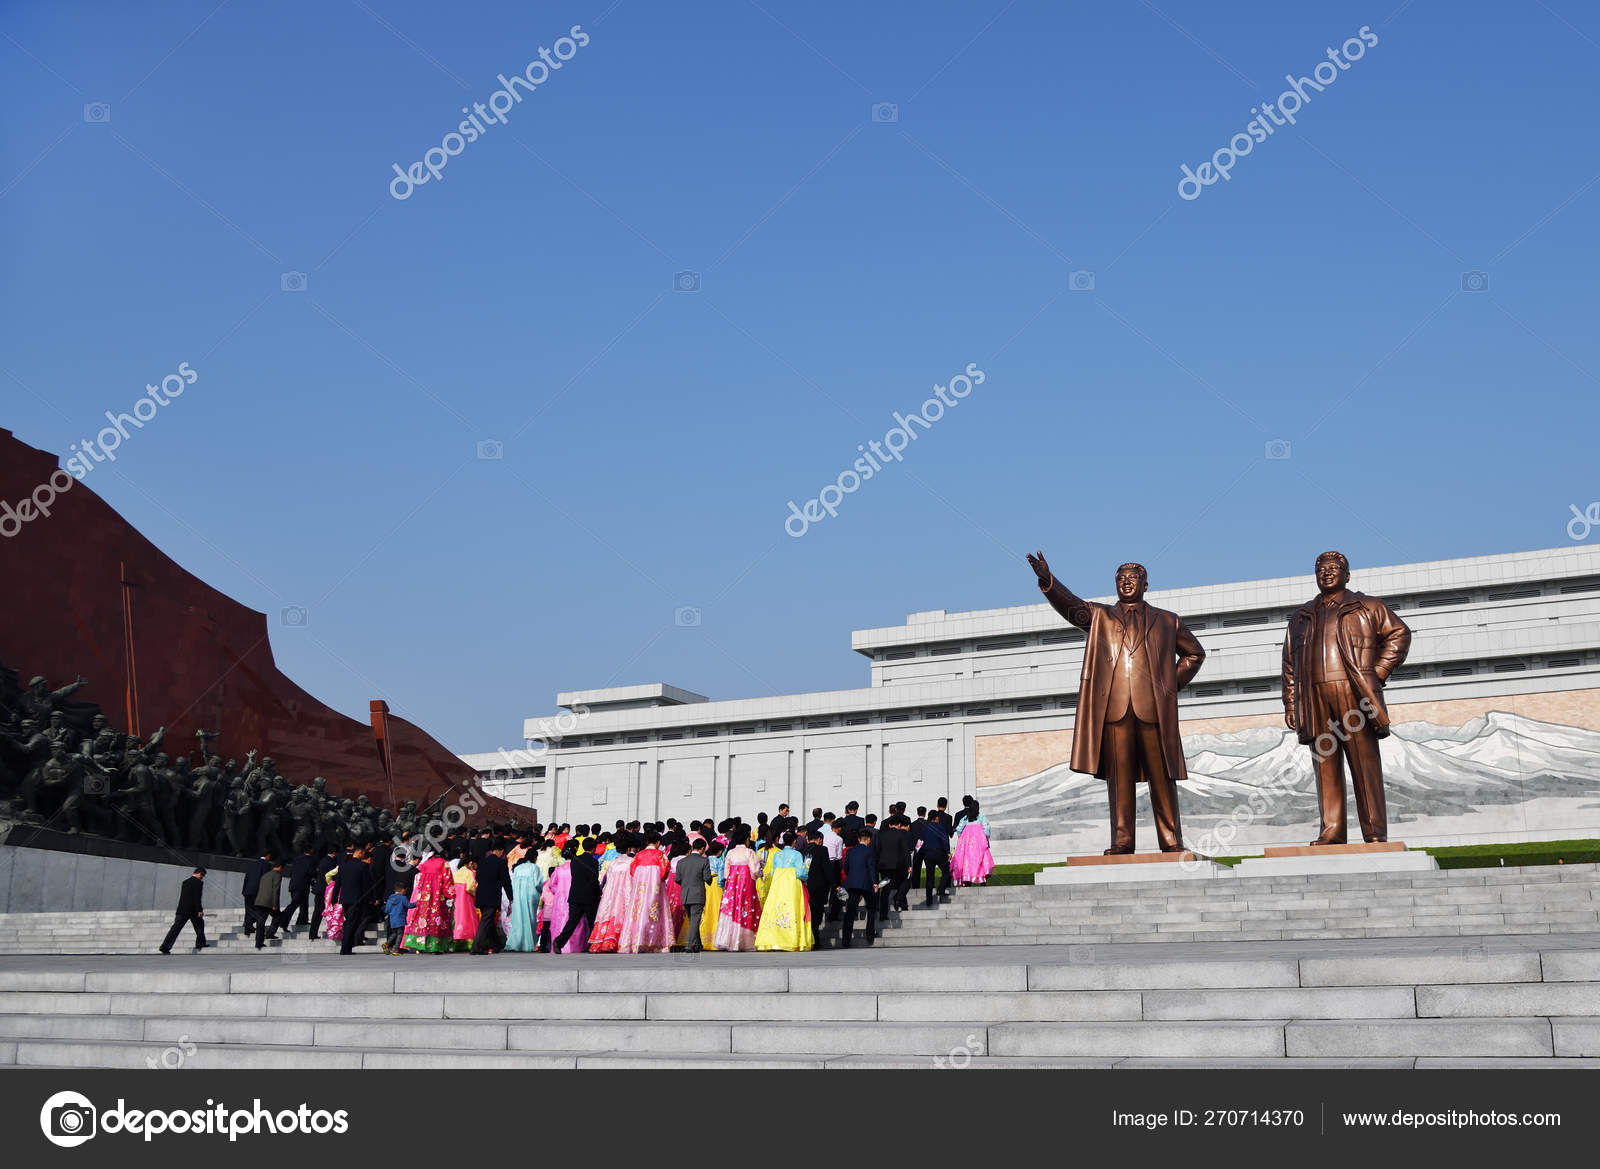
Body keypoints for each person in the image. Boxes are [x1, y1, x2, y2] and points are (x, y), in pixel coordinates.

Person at [1029, 553, 1207, 854]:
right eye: (1120, 577)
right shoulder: (1101, 617)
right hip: (1114, 711)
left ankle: (1172, 840)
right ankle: (1122, 842)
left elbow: (1194, 654)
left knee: (1162, 778)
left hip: (1153, 712)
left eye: (1133, 577)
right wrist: (1048, 581)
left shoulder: (1167, 620)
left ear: (1146, 585)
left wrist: (1167, 686)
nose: (1126, 581)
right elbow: (1070, 607)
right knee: (1119, 780)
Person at [754, 830, 813, 952]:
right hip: (791, 885)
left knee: (775, 909)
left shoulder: (778, 855)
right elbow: (801, 872)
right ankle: (791, 940)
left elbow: (775, 871)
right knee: (792, 909)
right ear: (794, 842)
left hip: (778, 885)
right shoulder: (797, 854)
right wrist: (806, 872)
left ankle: (773, 939)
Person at [617, 830, 673, 954]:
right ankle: (655, 942)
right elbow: (665, 871)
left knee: (638, 911)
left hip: (640, 888)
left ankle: (636, 941)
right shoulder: (660, 855)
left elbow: (632, 871)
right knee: (655, 913)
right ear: (658, 842)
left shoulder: (639, 855)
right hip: (655, 888)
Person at [712, 826, 761, 952]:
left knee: (731, 909)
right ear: (746, 839)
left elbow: (726, 872)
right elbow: (755, 870)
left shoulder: (730, 853)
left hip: (732, 884)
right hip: (746, 884)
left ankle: (727, 939)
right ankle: (745, 940)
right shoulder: (749, 852)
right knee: (746, 908)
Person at [552, 838, 602, 954]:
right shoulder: (594, 862)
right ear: (593, 848)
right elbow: (594, 880)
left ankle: (559, 942)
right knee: (591, 922)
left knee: (572, 922)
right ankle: (591, 945)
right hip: (589, 896)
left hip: (575, 895)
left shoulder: (576, 860)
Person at [401, 851, 455, 953]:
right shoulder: (443, 863)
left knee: (423, 917)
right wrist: (451, 894)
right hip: (437, 896)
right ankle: (436, 946)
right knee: (437, 917)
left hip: (424, 895)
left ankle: (420, 946)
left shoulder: (425, 863)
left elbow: (418, 876)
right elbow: (448, 881)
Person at [472, 844, 514, 954]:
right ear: (501, 851)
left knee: (489, 921)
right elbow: (506, 881)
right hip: (492, 895)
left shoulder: (482, 862)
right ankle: (476, 947)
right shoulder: (501, 863)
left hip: (481, 894)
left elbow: (477, 877)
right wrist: (510, 897)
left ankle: (496, 945)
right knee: (486, 921)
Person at [673, 839, 713, 953]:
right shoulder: (704, 861)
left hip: (685, 893)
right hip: (698, 894)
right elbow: (707, 878)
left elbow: (677, 879)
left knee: (693, 920)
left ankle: (697, 944)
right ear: (702, 849)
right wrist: (710, 879)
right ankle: (690, 945)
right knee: (695, 919)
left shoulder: (682, 862)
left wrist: (686, 884)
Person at [840, 828, 878, 947]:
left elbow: (845, 868)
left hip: (852, 883)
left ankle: (846, 939)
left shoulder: (851, 851)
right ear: (869, 839)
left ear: (858, 839)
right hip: (865, 883)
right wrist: (875, 882)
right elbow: (872, 868)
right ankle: (870, 934)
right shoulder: (869, 851)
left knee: (850, 912)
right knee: (871, 908)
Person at [334, 845, 374, 955]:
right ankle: (345, 948)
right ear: (360, 852)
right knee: (351, 923)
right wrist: (370, 898)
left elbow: (338, 883)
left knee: (349, 922)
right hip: (357, 899)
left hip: (345, 899)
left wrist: (334, 898)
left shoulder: (343, 866)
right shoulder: (362, 866)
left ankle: (346, 947)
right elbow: (366, 884)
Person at [158, 866, 207, 953]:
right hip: (193, 910)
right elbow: (197, 898)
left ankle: (165, 947)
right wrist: (199, 910)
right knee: (199, 925)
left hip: (182, 909)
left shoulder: (185, 882)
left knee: (175, 929)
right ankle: (200, 943)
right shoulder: (198, 883)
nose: (202, 877)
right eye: (202, 876)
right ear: (199, 873)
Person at [504, 851, 544, 952]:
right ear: (534, 858)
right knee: (529, 918)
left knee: (518, 919)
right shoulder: (535, 868)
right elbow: (537, 883)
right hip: (530, 896)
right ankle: (527, 944)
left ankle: (516, 943)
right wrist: (542, 891)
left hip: (517, 896)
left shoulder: (517, 868)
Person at [875, 813, 913, 915]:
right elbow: (906, 850)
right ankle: (898, 898)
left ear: (889, 825)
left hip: (884, 865)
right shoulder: (901, 834)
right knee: (905, 882)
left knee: (885, 889)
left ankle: (883, 914)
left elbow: (878, 850)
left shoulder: (881, 834)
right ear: (899, 825)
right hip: (898, 865)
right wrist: (909, 865)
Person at [950, 799, 994, 886]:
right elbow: (987, 830)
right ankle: (982, 879)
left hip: (967, 846)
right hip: (978, 845)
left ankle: (967, 880)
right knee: (980, 860)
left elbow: (959, 829)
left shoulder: (965, 818)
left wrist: (963, 839)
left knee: (967, 862)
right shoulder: (982, 818)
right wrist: (984, 838)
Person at [802, 829, 834, 943]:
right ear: (819, 839)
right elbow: (826, 868)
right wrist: (833, 883)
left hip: (805, 886)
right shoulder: (822, 850)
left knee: (808, 912)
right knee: (816, 913)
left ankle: (808, 937)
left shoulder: (802, 850)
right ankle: (815, 938)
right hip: (818, 886)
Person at [918, 814, 951, 906]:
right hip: (939, 852)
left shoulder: (924, 829)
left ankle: (929, 900)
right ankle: (941, 888)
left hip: (928, 854)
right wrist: (948, 852)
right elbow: (945, 840)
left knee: (930, 877)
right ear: (936, 818)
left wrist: (919, 853)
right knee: (946, 871)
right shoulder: (940, 827)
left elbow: (920, 842)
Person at [253, 860, 284, 949]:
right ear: (280, 867)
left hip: (259, 901)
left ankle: (258, 942)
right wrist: (275, 905)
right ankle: (269, 934)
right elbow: (275, 891)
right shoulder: (277, 875)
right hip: (268, 902)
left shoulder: (265, 875)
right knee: (278, 916)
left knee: (260, 922)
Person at [450, 855, 479, 951]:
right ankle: (469, 942)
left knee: (457, 916)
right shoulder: (469, 873)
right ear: (470, 863)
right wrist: (474, 893)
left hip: (457, 897)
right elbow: (470, 887)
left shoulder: (455, 873)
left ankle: (456, 940)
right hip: (466, 897)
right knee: (468, 916)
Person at [383, 885, 416, 954]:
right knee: (400, 934)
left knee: (394, 933)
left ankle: (386, 944)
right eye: (405, 890)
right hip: (400, 919)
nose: (405, 892)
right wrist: (418, 903)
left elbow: (387, 910)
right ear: (402, 890)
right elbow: (409, 905)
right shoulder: (403, 898)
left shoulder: (390, 898)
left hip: (392, 919)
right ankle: (396, 949)